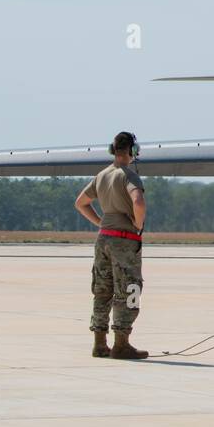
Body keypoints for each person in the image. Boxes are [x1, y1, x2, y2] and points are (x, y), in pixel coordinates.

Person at [74, 131, 149, 360]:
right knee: (129, 290)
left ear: (112, 149)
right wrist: (137, 223)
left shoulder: (102, 175)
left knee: (102, 290)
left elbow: (80, 203)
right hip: (124, 241)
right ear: (133, 151)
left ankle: (99, 343)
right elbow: (138, 201)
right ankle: (121, 343)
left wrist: (100, 222)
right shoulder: (129, 177)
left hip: (103, 238)